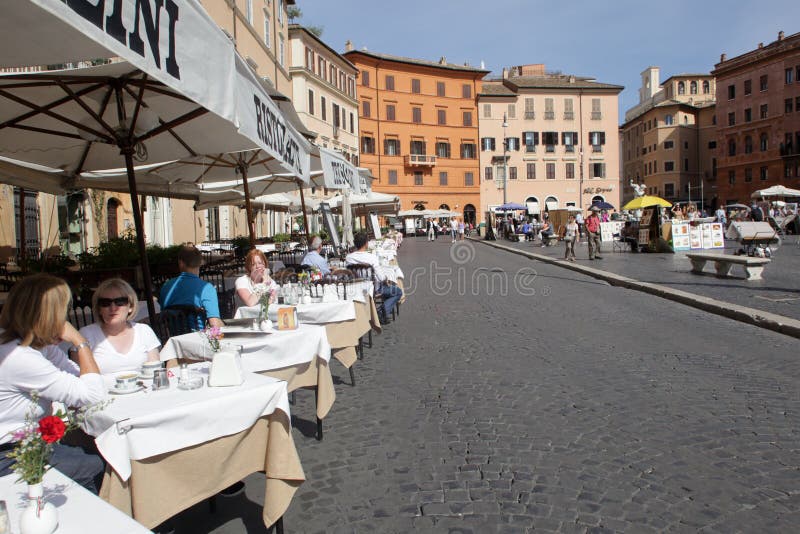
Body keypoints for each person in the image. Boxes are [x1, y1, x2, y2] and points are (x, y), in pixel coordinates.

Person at [0, 274, 107, 493]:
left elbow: (77, 374)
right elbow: (93, 395)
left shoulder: (33, 344)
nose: (65, 318)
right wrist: (80, 341)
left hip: (30, 445)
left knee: (93, 452)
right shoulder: (19, 357)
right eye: (63, 311)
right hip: (11, 456)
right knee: (97, 464)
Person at [79, 278, 161, 376]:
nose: (113, 308)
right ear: (99, 309)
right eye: (105, 303)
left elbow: (156, 373)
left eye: (120, 301)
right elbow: (80, 376)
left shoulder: (144, 331)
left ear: (131, 306)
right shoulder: (86, 334)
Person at [159, 245, 223, 328]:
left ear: (180, 263)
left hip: (172, 335)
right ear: (201, 263)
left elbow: (163, 316)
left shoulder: (166, 287)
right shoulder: (206, 288)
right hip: (197, 334)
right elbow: (214, 324)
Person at [346, 232, 403, 325]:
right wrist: (386, 279)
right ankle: (380, 313)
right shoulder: (372, 257)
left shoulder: (349, 258)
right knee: (398, 292)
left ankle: (379, 312)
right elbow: (381, 277)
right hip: (372, 289)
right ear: (366, 243)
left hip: (355, 289)